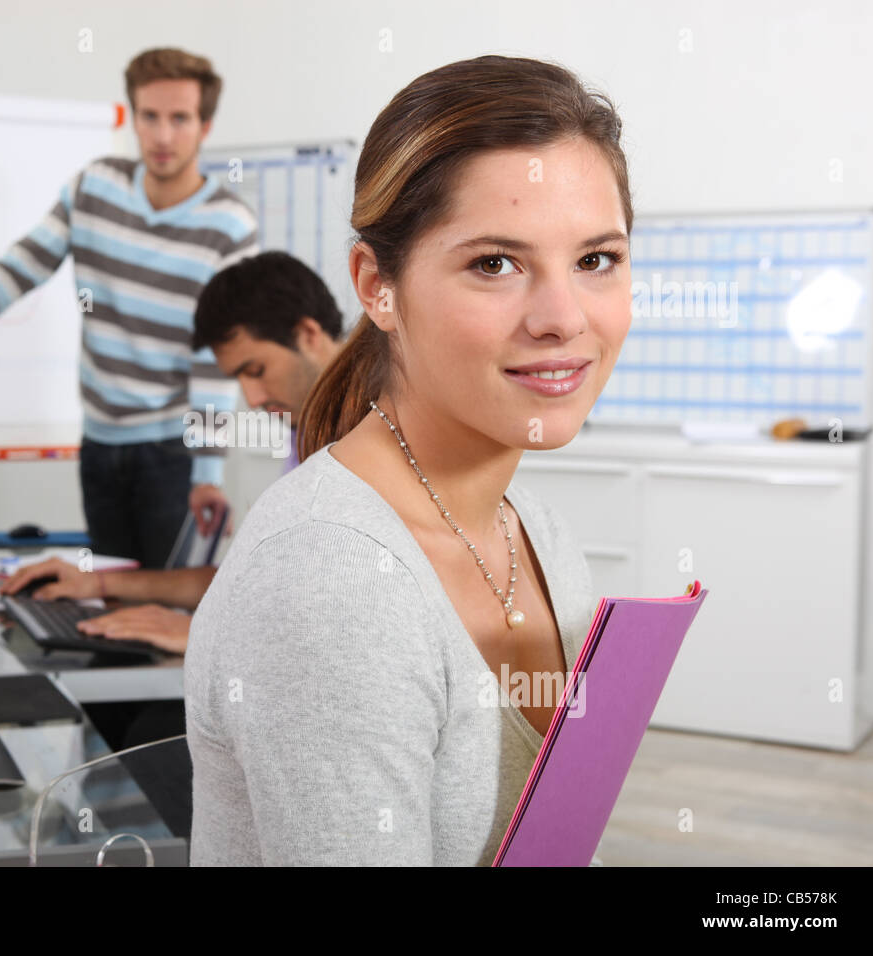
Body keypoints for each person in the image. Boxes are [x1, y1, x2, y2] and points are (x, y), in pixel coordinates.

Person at [184, 55, 633, 865]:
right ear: (377, 285)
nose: (564, 318)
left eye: (595, 259)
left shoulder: (542, 538)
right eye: (495, 263)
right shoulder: (332, 579)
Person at [0, 47, 258, 570]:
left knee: (170, 610)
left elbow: (216, 357)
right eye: (149, 116)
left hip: (170, 452)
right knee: (104, 598)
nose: (161, 135)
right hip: (99, 445)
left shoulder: (230, 224)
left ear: (205, 126)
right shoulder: (95, 187)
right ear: (133, 117)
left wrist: (207, 473)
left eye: (179, 119)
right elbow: (25, 263)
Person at [0, 251, 344, 654]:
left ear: (308, 335)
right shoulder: (304, 432)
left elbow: (341, 621)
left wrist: (210, 639)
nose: (251, 399)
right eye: (239, 379)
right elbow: (245, 581)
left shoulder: (372, 433)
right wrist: (97, 582)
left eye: (256, 371)